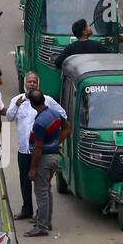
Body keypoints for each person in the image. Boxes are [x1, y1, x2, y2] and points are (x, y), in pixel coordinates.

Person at [6, 73, 66, 221]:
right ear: (25, 84)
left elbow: (62, 116)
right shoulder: (17, 100)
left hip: (41, 151)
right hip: (23, 149)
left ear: (38, 84)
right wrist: (16, 105)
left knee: (42, 185)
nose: (32, 84)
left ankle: (41, 214)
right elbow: (9, 117)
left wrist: (54, 140)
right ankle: (27, 210)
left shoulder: (46, 100)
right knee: (24, 181)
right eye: (29, 82)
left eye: (34, 82)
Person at [26, 89, 70, 236]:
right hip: (54, 157)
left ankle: (42, 226)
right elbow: (67, 127)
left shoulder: (39, 123)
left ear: (32, 104)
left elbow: (38, 148)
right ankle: (46, 221)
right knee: (46, 190)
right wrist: (56, 143)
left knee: (41, 192)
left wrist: (33, 169)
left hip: (44, 159)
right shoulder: (55, 114)